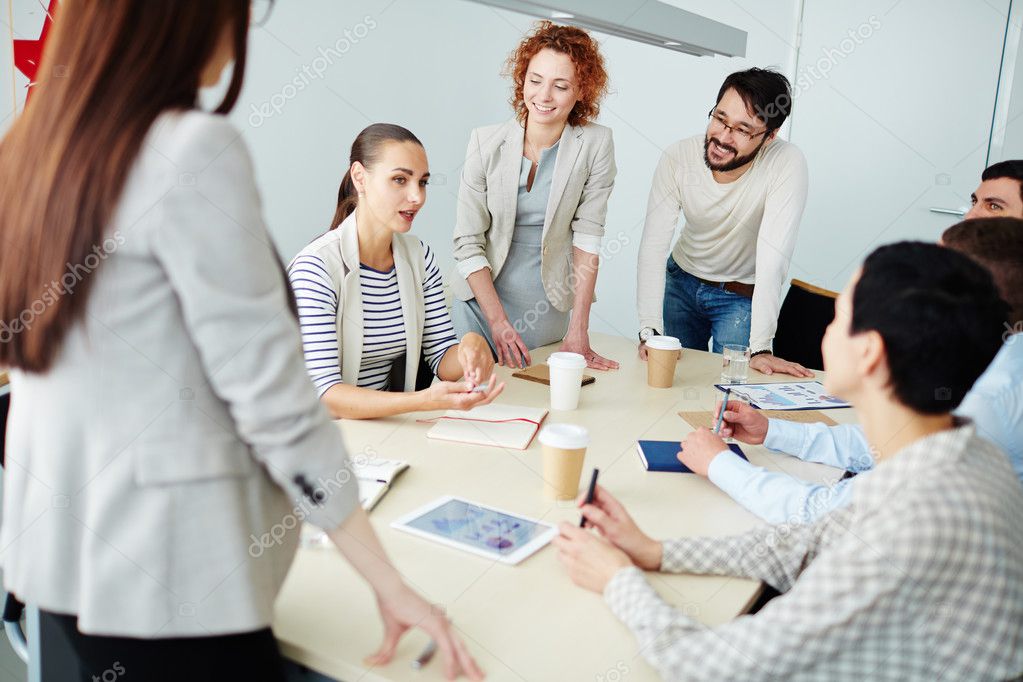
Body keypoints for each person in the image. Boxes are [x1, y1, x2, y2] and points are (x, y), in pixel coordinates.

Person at [0, 3, 482, 679]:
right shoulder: (190, 150)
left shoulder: (31, 147)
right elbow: (279, 403)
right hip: (166, 579)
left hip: (58, 566)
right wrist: (389, 583)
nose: (245, 24)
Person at [555, 242, 1023, 680]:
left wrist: (617, 580)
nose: (825, 330)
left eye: (839, 316)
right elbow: (806, 543)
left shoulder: (913, 523)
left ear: (869, 352)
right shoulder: (961, 451)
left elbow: (707, 665)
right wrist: (655, 552)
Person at [677, 217, 1023, 524]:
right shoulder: (961, 401)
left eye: (840, 317)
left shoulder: (987, 407)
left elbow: (822, 514)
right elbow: (879, 448)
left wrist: (721, 465)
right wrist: (771, 431)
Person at [288, 123, 504, 420]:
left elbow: (441, 355)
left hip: (379, 430)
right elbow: (325, 395)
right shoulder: (316, 268)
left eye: (423, 182)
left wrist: (472, 346)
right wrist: (422, 401)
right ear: (360, 178)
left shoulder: (419, 257)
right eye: (400, 180)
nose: (417, 197)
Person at [451, 21, 618, 371]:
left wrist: (579, 331)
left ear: (581, 91)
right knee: (469, 409)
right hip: (478, 310)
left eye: (560, 86)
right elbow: (468, 242)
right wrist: (496, 322)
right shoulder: (484, 143)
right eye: (535, 80)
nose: (543, 96)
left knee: (535, 408)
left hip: (546, 314)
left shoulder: (595, 144)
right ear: (522, 80)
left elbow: (588, 241)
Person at [636, 68, 812, 378]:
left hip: (739, 295)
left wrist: (760, 346)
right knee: (673, 381)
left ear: (769, 136)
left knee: (729, 390)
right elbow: (653, 245)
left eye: (743, 130)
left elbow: (773, 257)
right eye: (720, 119)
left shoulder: (786, 163)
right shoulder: (678, 157)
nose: (723, 137)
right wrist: (649, 329)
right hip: (681, 282)